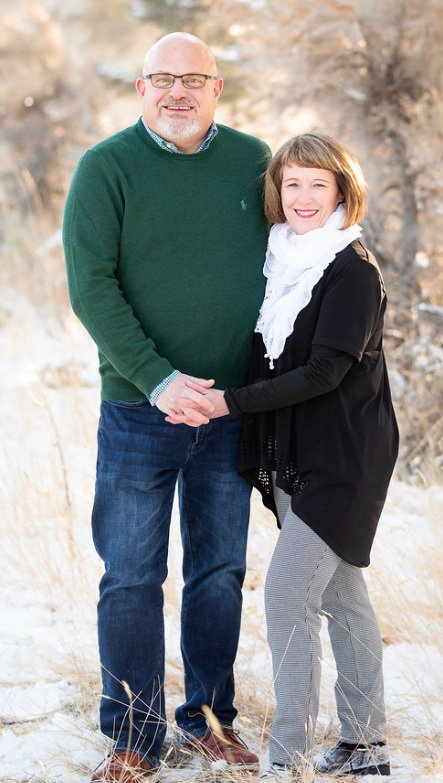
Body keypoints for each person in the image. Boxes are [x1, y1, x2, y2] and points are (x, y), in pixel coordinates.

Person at [63, 31, 270, 782]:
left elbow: (295, 260)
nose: (176, 91)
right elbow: (92, 288)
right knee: (129, 575)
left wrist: (254, 386)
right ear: (141, 88)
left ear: (218, 88)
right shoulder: (105, 168)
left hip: (228, 408)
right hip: (137, 408)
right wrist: (157, 379)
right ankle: (134, 735)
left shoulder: (257, 162)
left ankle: (209, 721)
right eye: (161, 78)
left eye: (193, 78)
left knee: (217, 572)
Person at [170, 133, 399, 781]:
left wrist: (228, 405)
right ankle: (365, 745)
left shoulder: (350, 269)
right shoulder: (280, 260)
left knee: (286, 595)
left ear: (340, 192)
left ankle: (287, 756)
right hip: (297, 455)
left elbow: (325, 370)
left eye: (316, 184)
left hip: (344, 457)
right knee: (343, 596)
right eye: (291, 183)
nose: (302, 197)